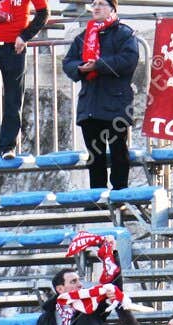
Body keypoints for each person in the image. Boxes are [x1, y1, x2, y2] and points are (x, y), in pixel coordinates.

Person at [62, 0, 139, 191]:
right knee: (94, 155)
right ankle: (97, 198)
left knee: (118, 152)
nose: (96, 7)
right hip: (90, 105)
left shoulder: (124, 33)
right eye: (94, 4)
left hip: (116, 103)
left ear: (113, 8)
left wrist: (98, 65)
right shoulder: (84, 37)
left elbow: (129, 60)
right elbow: (68, 62)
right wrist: (80, 69)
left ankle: (120, 195)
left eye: (101, 4)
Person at [0, 0, 47, 158]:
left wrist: (24, 36)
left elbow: (43, 13)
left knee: (13, 99)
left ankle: (7, 146)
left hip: (14, 49)